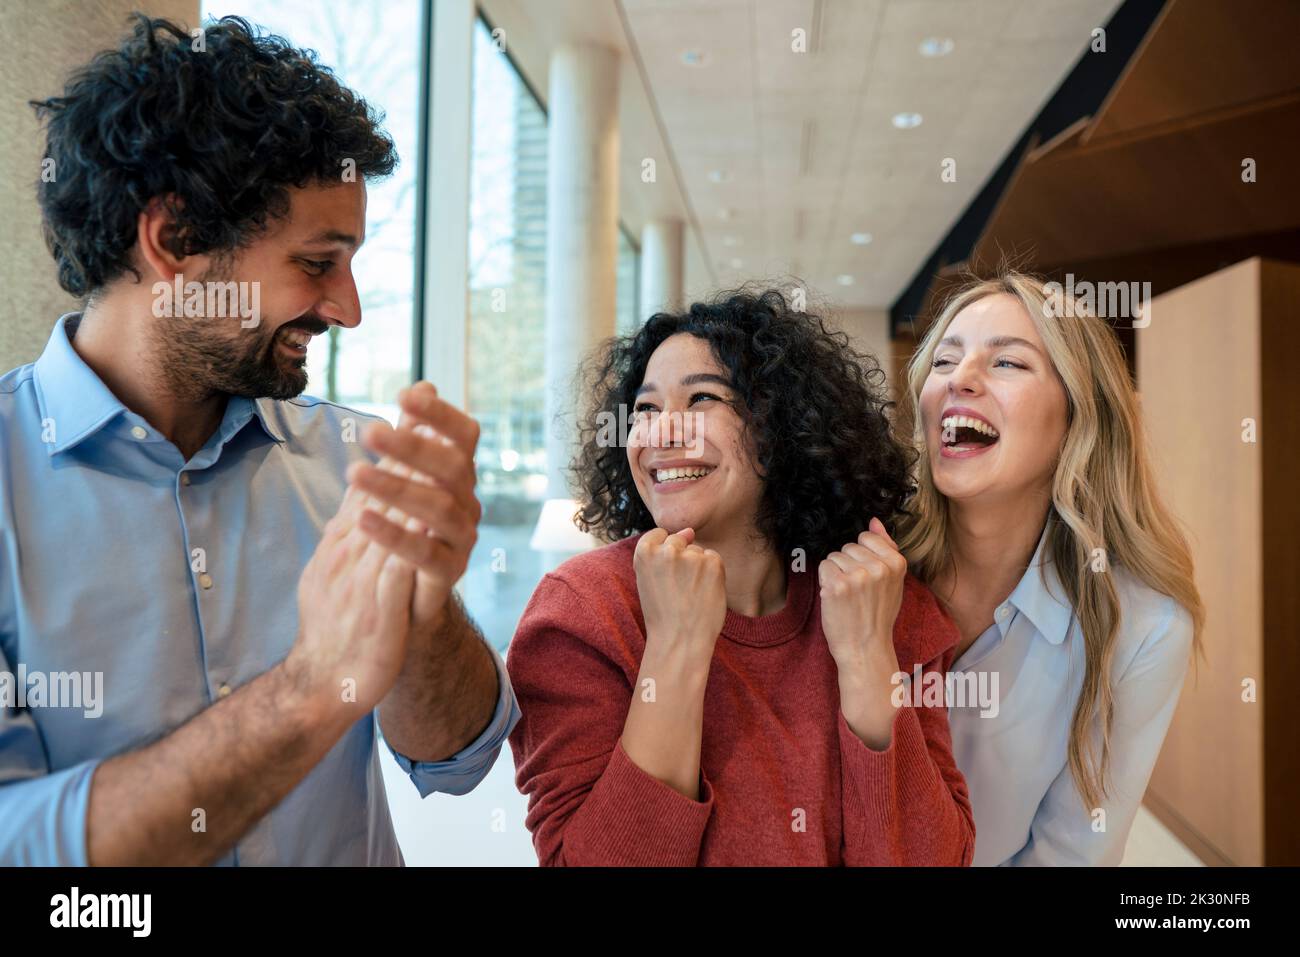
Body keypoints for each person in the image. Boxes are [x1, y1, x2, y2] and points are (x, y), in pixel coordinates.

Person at [0, 15, 519, 865]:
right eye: (318, 263)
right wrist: (311, 687)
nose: (347, 309)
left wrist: (424, 609)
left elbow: (455, 755)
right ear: (173, 240)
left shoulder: (360, 464)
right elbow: (20, 843)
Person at [506, 288, 975, 866]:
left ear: (781, 430)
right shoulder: (581, 613)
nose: (660, 433)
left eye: (701, 398)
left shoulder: (879, 601)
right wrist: (675, 649)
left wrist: (866, 657)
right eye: (646, 409)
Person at [896, 271, 1203, 865]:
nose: (960, 378)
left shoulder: (1145, 627)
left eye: (1007, 363)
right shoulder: (854, 565)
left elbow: (1070, 856)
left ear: (1078, 417)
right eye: (943, 360)